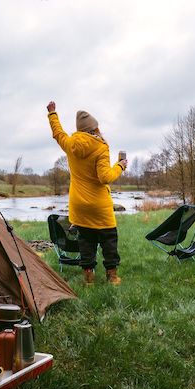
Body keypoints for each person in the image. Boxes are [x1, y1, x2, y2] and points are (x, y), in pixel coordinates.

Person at [46, 101, 127, 285]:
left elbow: (58, 133)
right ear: (94, 129)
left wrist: (52, 114)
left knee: (86, 242)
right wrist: (120, 166)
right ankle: (112, 277)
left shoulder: (70, 144)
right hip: (99, 205)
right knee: (109, 239)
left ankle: (88, 279)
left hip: (79, 205)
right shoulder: (101, 147)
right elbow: (105, 177)